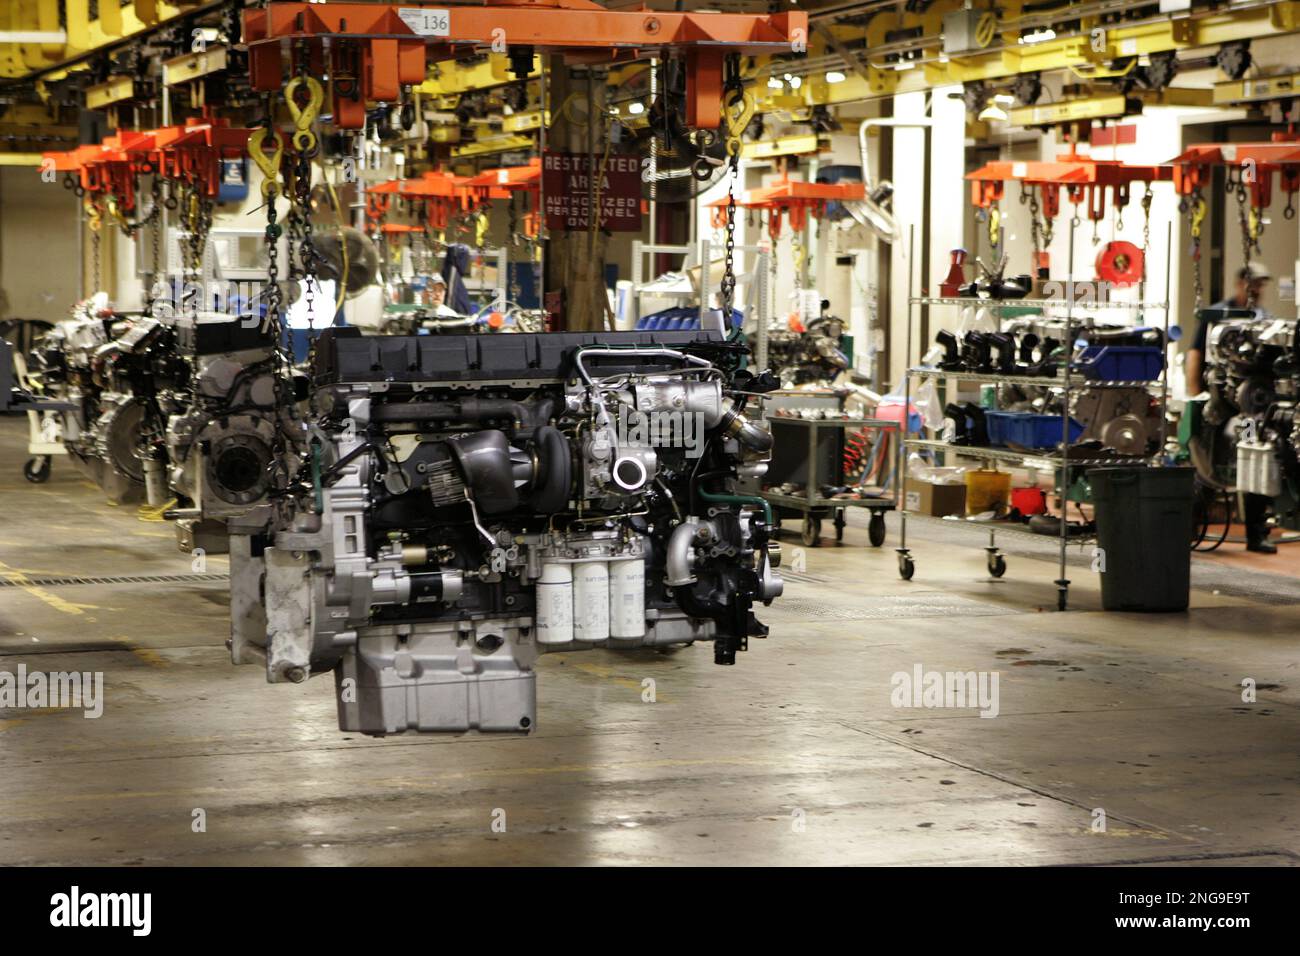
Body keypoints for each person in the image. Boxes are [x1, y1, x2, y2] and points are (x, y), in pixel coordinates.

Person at [1186, 261, 1275, 553]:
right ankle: (1188, 527)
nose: (1257, 290)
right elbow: (1195, 353)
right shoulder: (1218, 316)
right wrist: (1194, 393)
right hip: (1220, 403)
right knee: (1208, 462)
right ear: (1240, 283)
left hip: (1251, 409)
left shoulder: (1264, 319)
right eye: (1253, 283)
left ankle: (1256, 532)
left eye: (1261, 285)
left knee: (1254, 457)